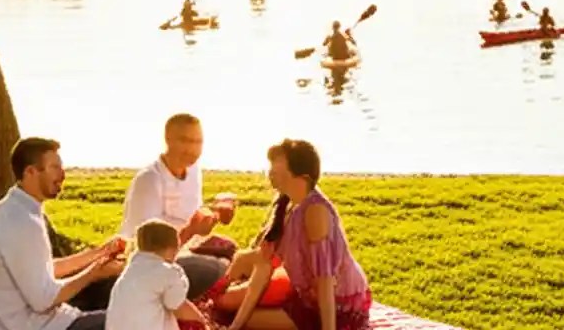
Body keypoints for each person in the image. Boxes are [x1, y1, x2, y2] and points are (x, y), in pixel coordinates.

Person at [218, 139, 372, 330]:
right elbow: (262, 272)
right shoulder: (285, 207)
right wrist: (235, 326)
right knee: (249, 322)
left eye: (278, 163)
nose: (271, 171)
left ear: (302, 175)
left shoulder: (315, 211)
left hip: (341, 305)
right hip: (308, 301)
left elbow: (325, 282)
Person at [0, 137, 126, 330]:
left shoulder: (17, 210)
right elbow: (43, 300)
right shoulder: (19, 222)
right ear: (30, 172)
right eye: (54, 167)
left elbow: (41, 270)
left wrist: (100, 253)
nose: (63, 175)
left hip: (55, 322)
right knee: (139, 321)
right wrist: (94, 273)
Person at [120, 114, 234, 301]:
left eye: (198, 142)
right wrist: (191, 230)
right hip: (150, 267)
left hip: (185, 250)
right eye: (185, 141)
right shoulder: (149, 180)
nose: (192, 149)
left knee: (231, 251)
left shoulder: (194, 170)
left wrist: (215, 212)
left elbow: (191, 212)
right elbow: (146, 252)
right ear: (168, 140)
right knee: (220, 268)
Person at [106, 219, 211, 330]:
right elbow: (179, 306)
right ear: (172, 249)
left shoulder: (129, 273)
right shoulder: (167, 272)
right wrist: (202, 322)